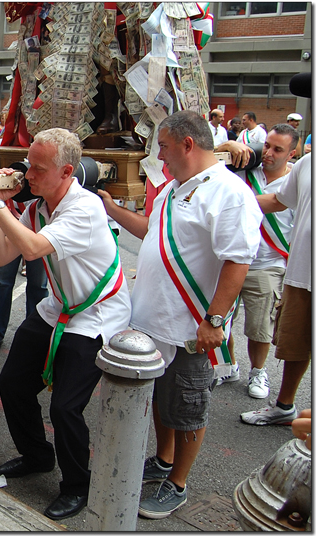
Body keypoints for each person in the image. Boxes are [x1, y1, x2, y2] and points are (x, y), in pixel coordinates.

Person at [98, 110, 262, 519]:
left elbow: (237, 261)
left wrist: (215, 320)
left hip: (191, 326)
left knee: (188, 404)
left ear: (187, 144)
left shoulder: (229, 193)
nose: (161, 157)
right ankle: (165, 459)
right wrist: (111, 208)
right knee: (162, 398)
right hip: (154, 322)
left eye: (165, 148)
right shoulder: (176, 188)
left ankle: (178, 484)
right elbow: (150, 230)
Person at [0, 128, 132, 521]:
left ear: (67, 171)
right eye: (28, 165)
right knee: (13, 384)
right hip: (59, 306)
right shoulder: (38, 207)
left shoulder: (84, 207)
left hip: (95, 313)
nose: (28, 175)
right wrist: (1, 209)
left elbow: (32, 249)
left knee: (66, 408)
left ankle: (78, 485)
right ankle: (37, 456)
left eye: (38, 169)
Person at [217, 125, 298, 395]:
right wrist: (226, 147)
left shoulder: (295, 185)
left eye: (278, 149)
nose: (269, 153)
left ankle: (258, 372)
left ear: (292, 153)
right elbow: (206, 166)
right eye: (268, 146)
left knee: (259, 326)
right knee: (221, 319)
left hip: (267, 264)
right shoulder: (245, 170)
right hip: (231, 260)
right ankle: (227, 367)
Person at [240, 152, 311, 425]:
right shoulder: (307, 164)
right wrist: (230, 201)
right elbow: (277, 201)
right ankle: (284, 406)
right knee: (295, 346)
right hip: (301, 273)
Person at [0, 199, 48, 353]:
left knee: (38, 285)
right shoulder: (10, 176)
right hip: (9, 226)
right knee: (2, 283)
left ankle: (33, 333)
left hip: (38, 229)